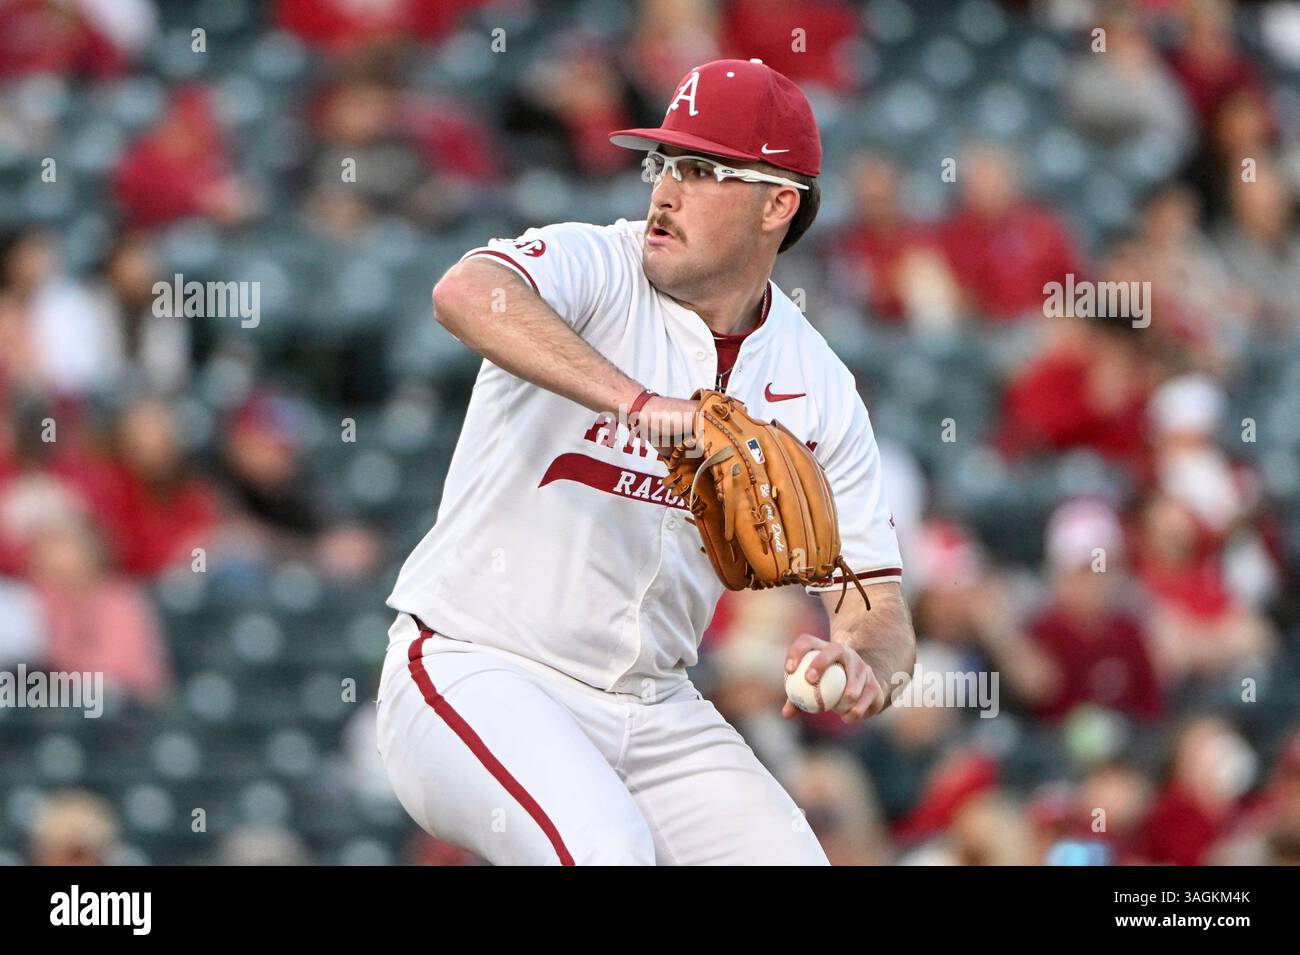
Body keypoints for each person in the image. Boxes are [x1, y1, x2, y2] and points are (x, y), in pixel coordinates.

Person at [377, 58, 914, 865]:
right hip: (477, 665)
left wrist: (861, 659)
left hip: (654, 703)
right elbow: (466, 291)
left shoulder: (817, 385)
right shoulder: (597, 266)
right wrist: (636, 402)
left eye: (701, 171)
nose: (664, 190)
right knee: (605, 853)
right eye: (663, 163)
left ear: (779, 203)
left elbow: (876, 606)